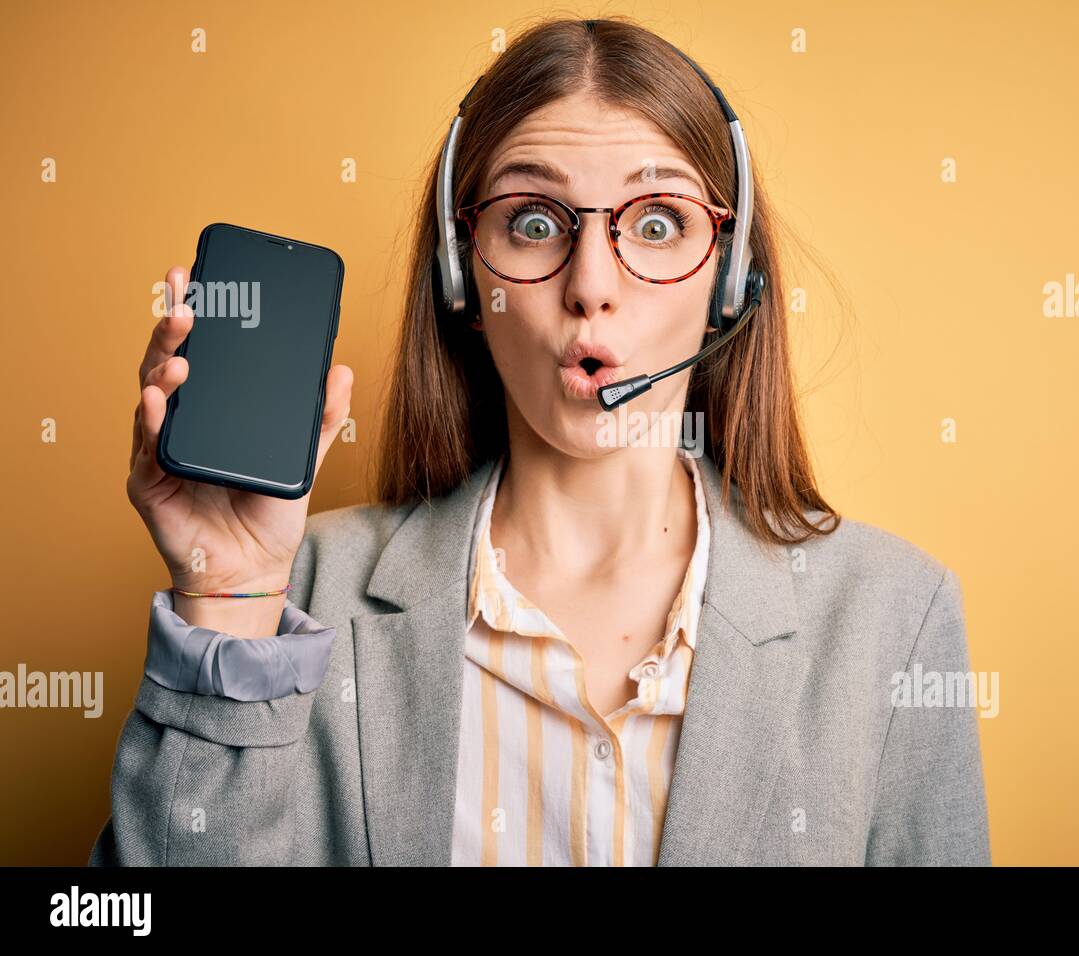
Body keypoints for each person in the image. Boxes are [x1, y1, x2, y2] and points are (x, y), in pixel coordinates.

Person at [91, 16, 990, 866]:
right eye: (532, 223)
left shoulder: (893, 618)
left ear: (728, 280)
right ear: (459, 278)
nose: (591, 285)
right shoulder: (299, 600)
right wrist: (226, 600)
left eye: (655, 222)